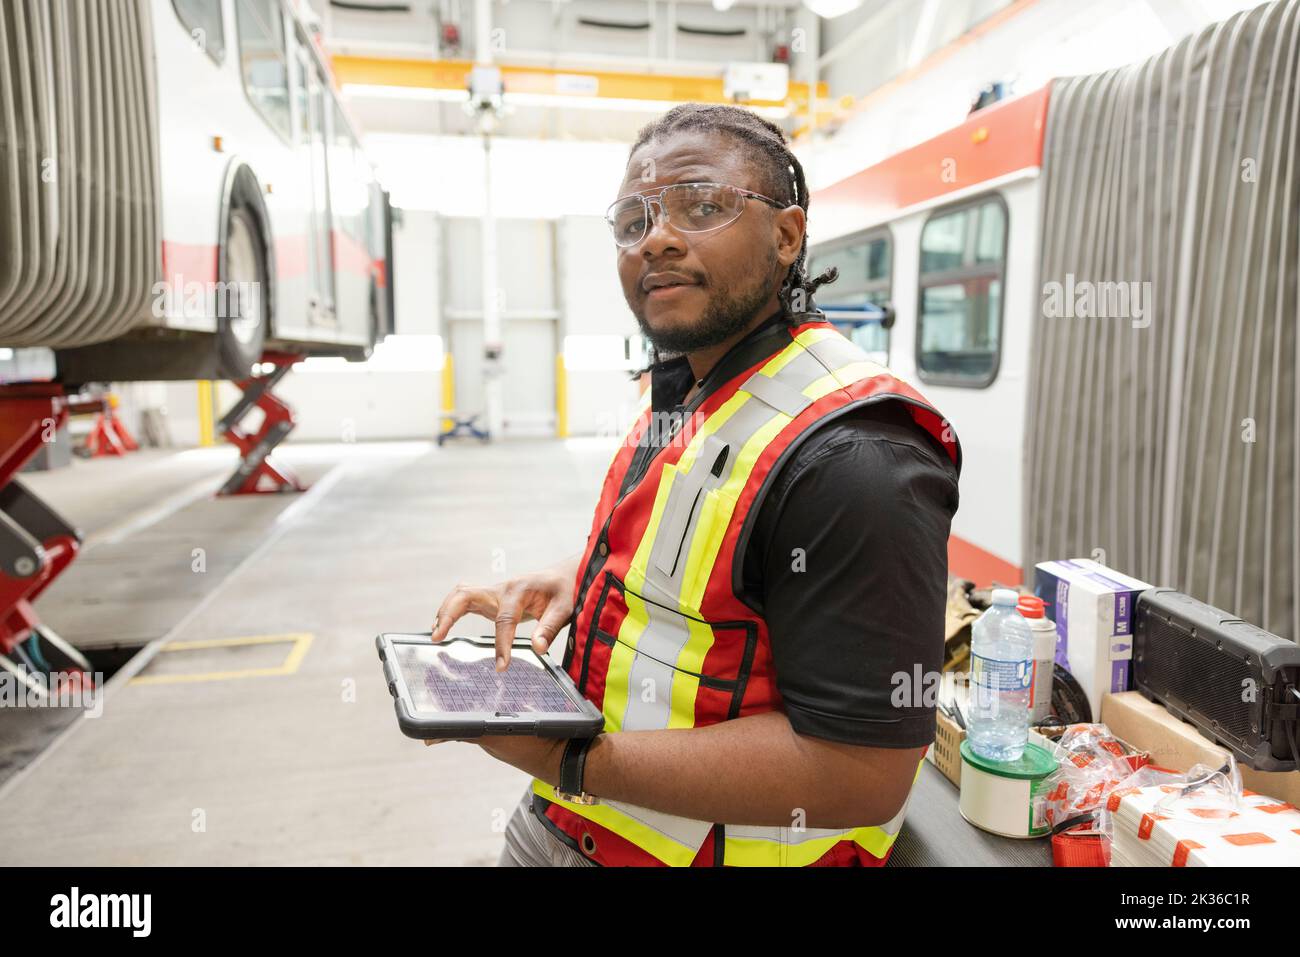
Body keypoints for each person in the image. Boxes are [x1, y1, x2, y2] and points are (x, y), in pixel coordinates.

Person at [429, 102, 962, 867]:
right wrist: (587, 580)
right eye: (632, 219)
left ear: (787, 236)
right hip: (569, 825)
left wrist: (567, 759)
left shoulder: (857, 456)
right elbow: (707, 568)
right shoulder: (693, 384)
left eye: (703, 204)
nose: (658, 237)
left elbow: (862, 771)